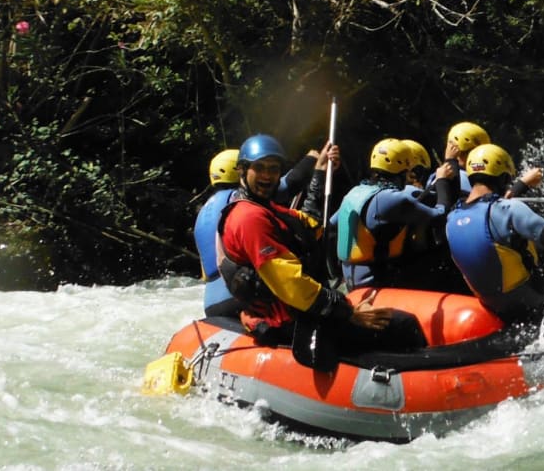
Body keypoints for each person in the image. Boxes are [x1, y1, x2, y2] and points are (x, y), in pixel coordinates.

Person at [217, 133, 426, 361]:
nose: (267, 175)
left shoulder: (268, 210)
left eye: (273, 169)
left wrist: (320, 173)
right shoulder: (249, 218)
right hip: (290, 323)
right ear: (242, 170)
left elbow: (311, 224)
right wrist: (347, 312)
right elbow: (290, 282)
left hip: (302, 311)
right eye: (259, 168)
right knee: (403, 325)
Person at [446, 144, 544, 326]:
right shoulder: (507, 209)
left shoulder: (452, 218)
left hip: (493, 303)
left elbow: (492, 211)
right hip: (530, 302)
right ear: (503, 178)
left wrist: (522, 185)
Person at [333, 138, 456, 289]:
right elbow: (440, 215)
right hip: (376, 282)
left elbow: (333, 224)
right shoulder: (392, 199)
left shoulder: (355, 192)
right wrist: (442, 180)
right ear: (403, 170)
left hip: (350, 278)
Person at [194, 149, 243, 318]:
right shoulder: (238, 197)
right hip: (238, 294)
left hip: (210, 303)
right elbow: (288, 184)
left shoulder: (202, 212)